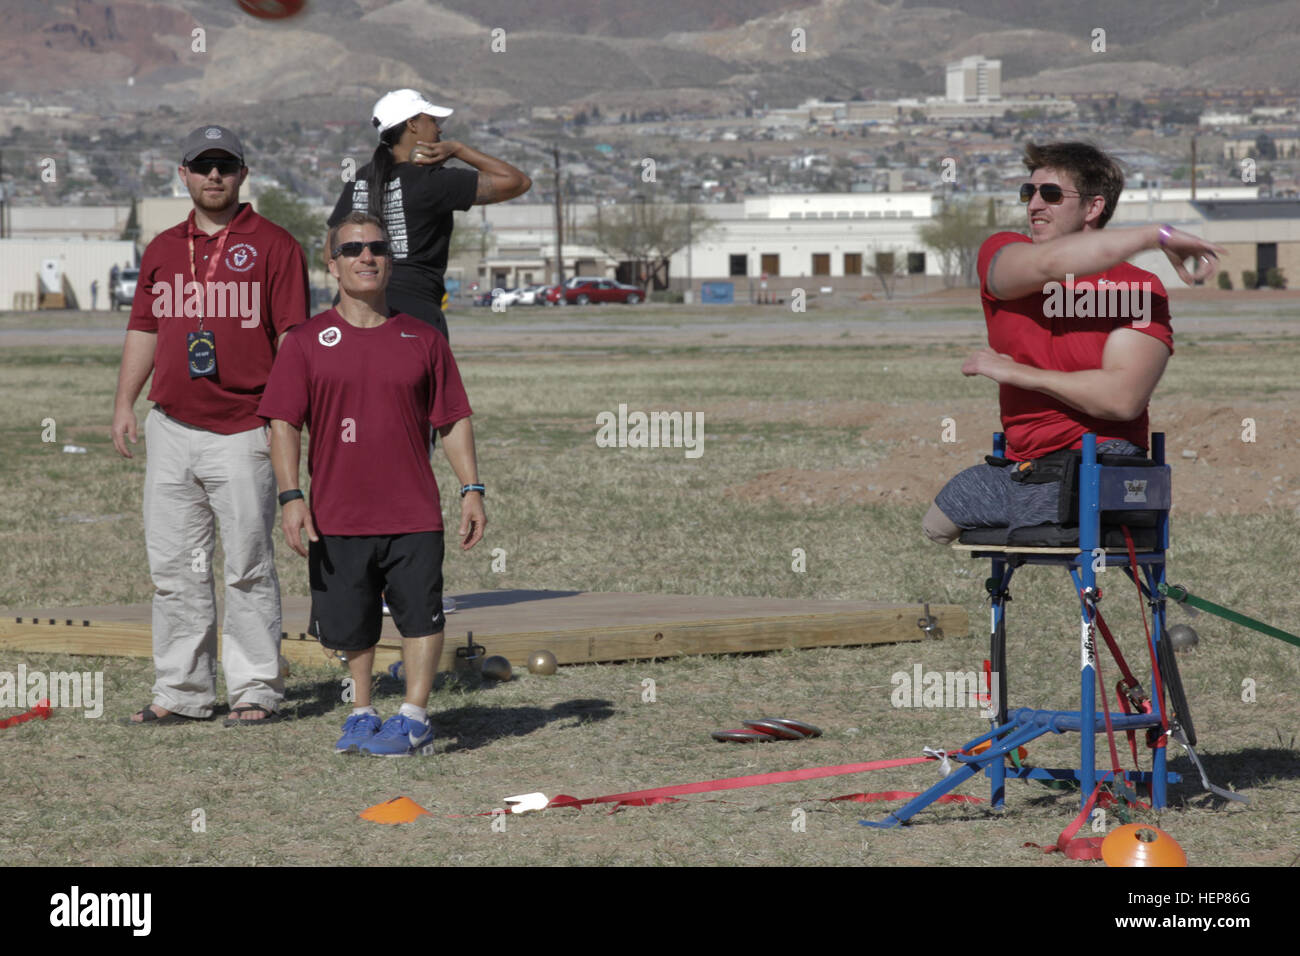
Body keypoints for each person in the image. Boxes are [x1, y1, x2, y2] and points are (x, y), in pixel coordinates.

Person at [258, 211, 486, 756]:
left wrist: (471, 488)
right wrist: (291, 498)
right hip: (337, 514)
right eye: (354, 248)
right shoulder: (307, 341)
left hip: (413, 512)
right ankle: (361, 713)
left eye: (378, 248)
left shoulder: (423, 338)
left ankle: (414, 717)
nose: (367, 256)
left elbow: (452, 419)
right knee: (349, 624)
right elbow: (283, 423)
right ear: (332, 263)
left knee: (421, 614)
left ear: (390, 259)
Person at [923, 141, 1225, 543]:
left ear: (1093, 207)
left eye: (1051, 194)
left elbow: (1121, 400)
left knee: (970, 518)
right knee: (939, 522)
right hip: (1032, 466)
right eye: (1027, 193)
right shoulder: (1003, 253)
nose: (1034, 205)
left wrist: (1020, 374)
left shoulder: (1137, 288)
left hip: (1101, 465)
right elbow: (1051, 263)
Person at [112, 125, 309, 724]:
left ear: (243, 174)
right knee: (173, 569)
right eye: (203, 166)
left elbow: (294, 342)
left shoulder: (275, 245)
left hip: (245, 427)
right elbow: (145, 328)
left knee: (247, 565)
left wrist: (287, 425)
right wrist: (126, 400)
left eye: (225, 165)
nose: (214, 176)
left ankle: (254, 690)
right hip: (171, 427)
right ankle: (181, 692)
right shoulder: (164, 247)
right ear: (184, 176)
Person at [327, 88, 531, 342]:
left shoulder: (360, 179)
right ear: (412, 125)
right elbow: (518, 182)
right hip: (414, 314)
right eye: (432, 121)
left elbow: (330, 250)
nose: (439, 130)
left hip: (350, 314)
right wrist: (458, 150)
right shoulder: (431, 182)